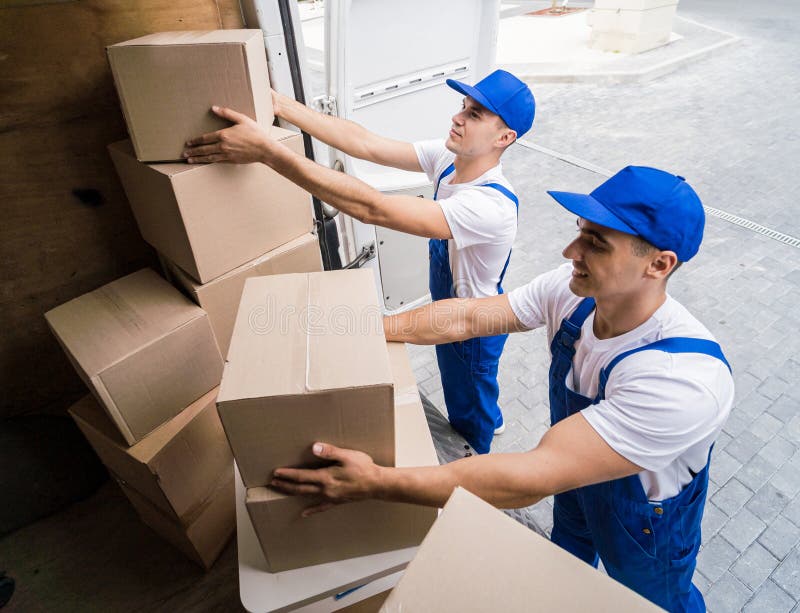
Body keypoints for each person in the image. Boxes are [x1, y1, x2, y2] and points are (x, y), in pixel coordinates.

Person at [267, 166, 735, 613]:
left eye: (595, 242)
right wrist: (372, 329)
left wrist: (377, 483)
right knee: (565, 570)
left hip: (643, 525)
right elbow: (468, 316)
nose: (571, 250)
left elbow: (533, 476)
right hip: (575, 483)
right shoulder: (572, 293)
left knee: (655, 604)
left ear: (659, 263)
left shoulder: (682, 379)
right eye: (579, 230)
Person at [183, 70, 536, 455]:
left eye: (476, 114)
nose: (458, 118)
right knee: (473, 387)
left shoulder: (488, 206)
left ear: (504, 138)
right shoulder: (449, 159)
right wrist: (282, 105)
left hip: (473, 328)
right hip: (449, 305)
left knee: (468, 407)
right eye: (463, 107)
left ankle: (477, 458)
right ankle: (488, 407)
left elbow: (372, 208)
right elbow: (364, 143)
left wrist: (269, 152)